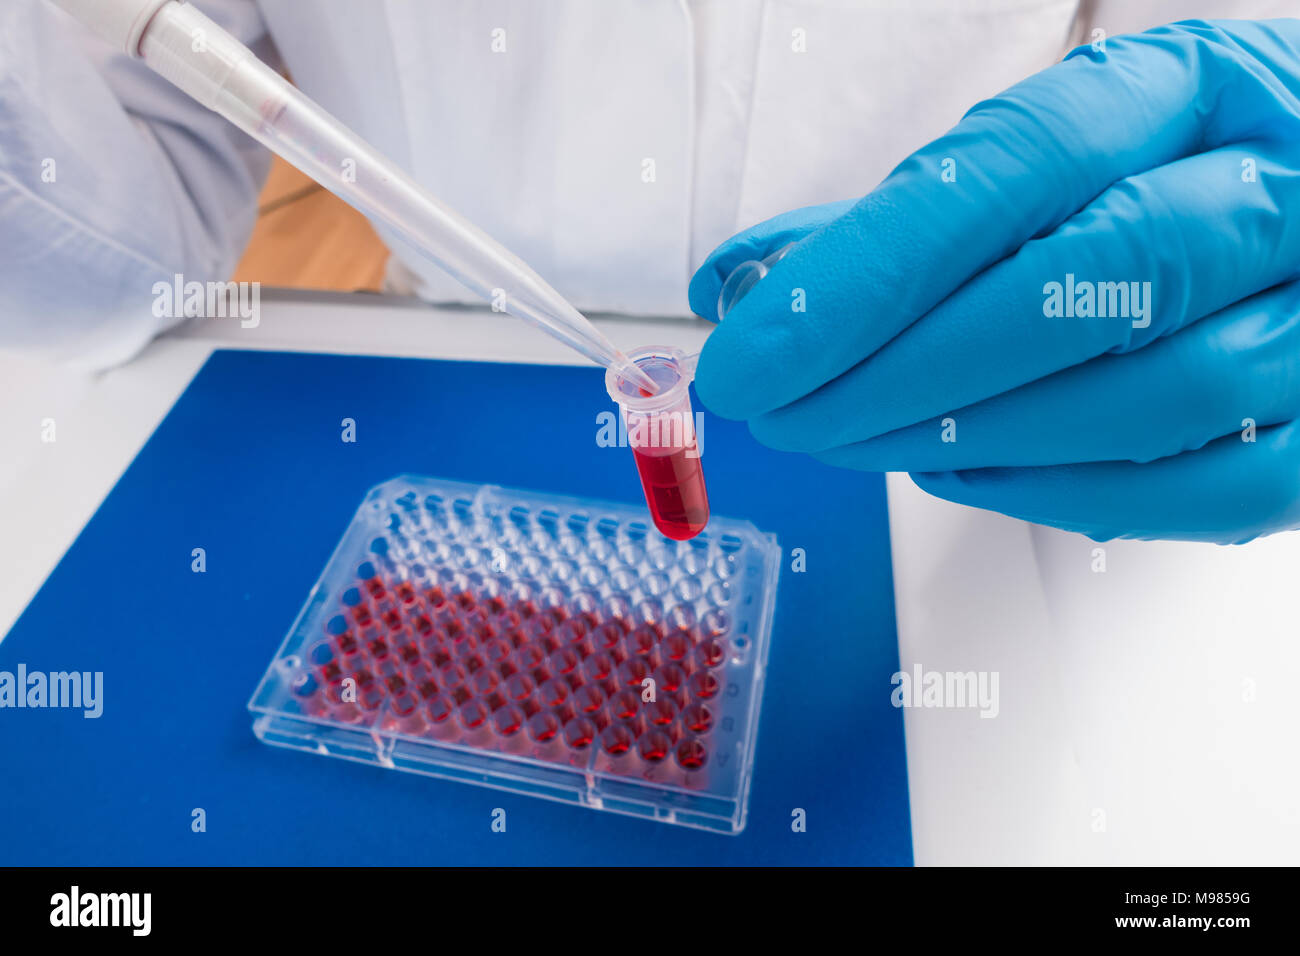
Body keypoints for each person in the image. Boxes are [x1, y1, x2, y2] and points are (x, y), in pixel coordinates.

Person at [3, 0, 1297, 542]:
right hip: (433, 381)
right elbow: (144, 247)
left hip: (997, 395)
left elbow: (1215, 79)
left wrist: (1236, 208)